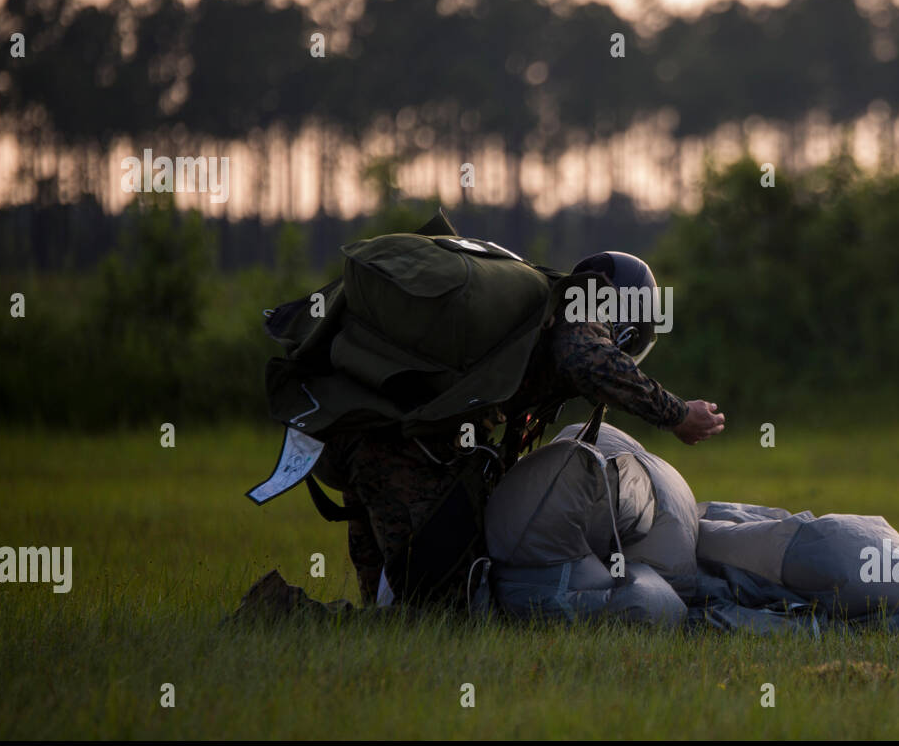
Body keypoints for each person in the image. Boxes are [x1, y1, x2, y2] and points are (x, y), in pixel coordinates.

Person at [311, 250, 725, 608]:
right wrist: (676, 414)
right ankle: (281, 609)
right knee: (440, 613)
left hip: (361, 428)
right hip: (398, 451)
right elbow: (583, 359)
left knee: (392, 609)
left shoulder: (536, 312)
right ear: (629, 324)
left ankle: (317, 626)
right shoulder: (581, 311)